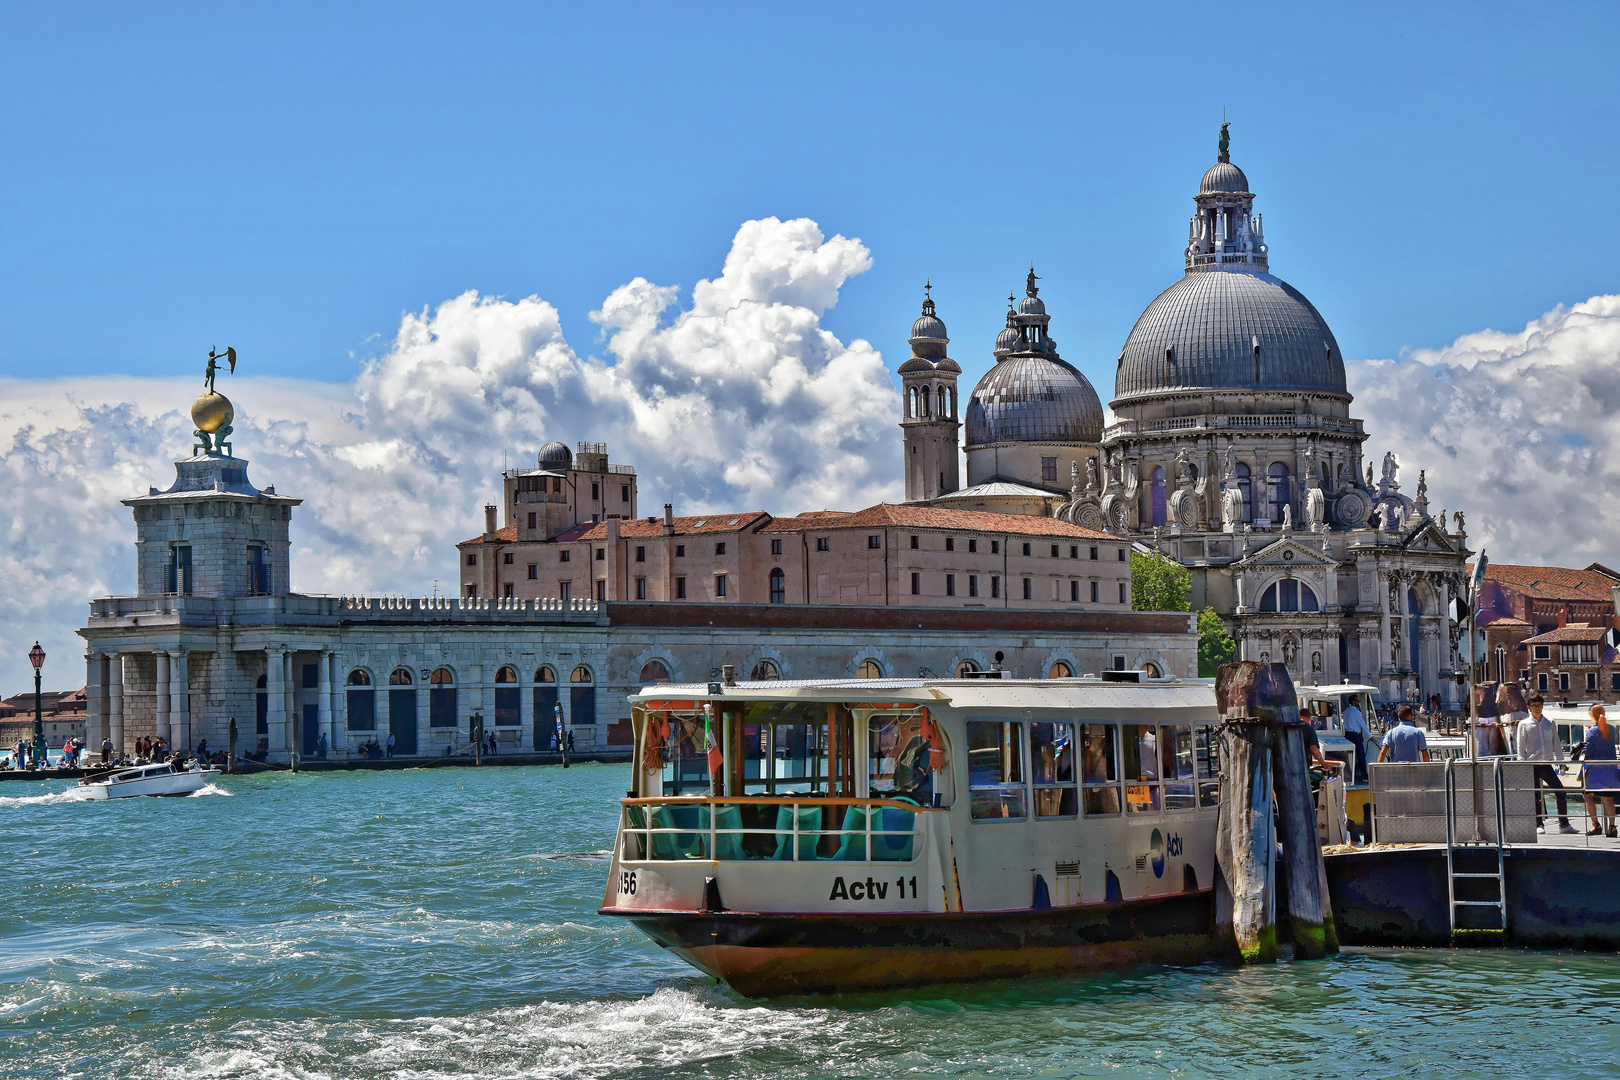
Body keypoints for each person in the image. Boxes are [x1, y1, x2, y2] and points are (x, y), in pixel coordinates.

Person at [1517, 693, 1577, 834]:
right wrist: (1521, 765)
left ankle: (1564, 825)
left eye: (1540, 705)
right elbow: (1520, 748)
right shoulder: (1523, 724)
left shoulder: (1550, 722)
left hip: (1546, 765)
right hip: (1531, 765)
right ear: (1529, 707)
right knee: (1535, 795)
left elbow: (1556, 743)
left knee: (1561, 791)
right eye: (1534, 706)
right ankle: (1539, 824)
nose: (1537, 708)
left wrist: (1561, 761)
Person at [1582, 704, 1618, 838]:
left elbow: (1588, 750)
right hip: (1610, 769)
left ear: (1591, 715)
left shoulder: (1591, 732)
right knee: (1608, 798)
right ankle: (1612, 827)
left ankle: (1595, 824)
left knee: (1587, 795)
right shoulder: (1612, 730)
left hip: (1595, 770)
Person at [1341, 698, 1370, 784]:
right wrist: (1370, 736)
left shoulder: (1346, 711)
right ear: (1353, 702)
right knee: (1360, 755)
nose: (1359, 702)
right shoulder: (1356, 712)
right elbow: (1362, 724)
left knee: (1351, 756)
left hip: (1347, 735)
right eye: (1357, 700)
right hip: (1355, 735)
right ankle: (1364, 776)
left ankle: (1353, 775)